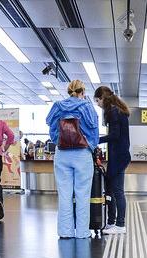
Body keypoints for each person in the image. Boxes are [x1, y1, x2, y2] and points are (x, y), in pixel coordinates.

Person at [46, 79, 98, 238]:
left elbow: (51, 126)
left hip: (62, 154)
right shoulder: (87, 107)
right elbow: (94, 130)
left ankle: (65, 232)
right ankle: (82, 232)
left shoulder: (58, 106)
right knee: (82, 194)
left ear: (69, 91)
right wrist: (91, 146)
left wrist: (58, 141)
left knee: (64, 194)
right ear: (82, 92)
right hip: (82, 154)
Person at [94, 85, 130, 234]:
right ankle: (111, 222)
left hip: (119, 157)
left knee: (117, 191)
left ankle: (120, 225)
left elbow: (115, 135)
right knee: (110, 189)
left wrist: (96, 139)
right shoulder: (116, 110)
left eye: (97, 101)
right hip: (117, 156)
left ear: (102, 98)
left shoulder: (114, 112)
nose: (98, 104)